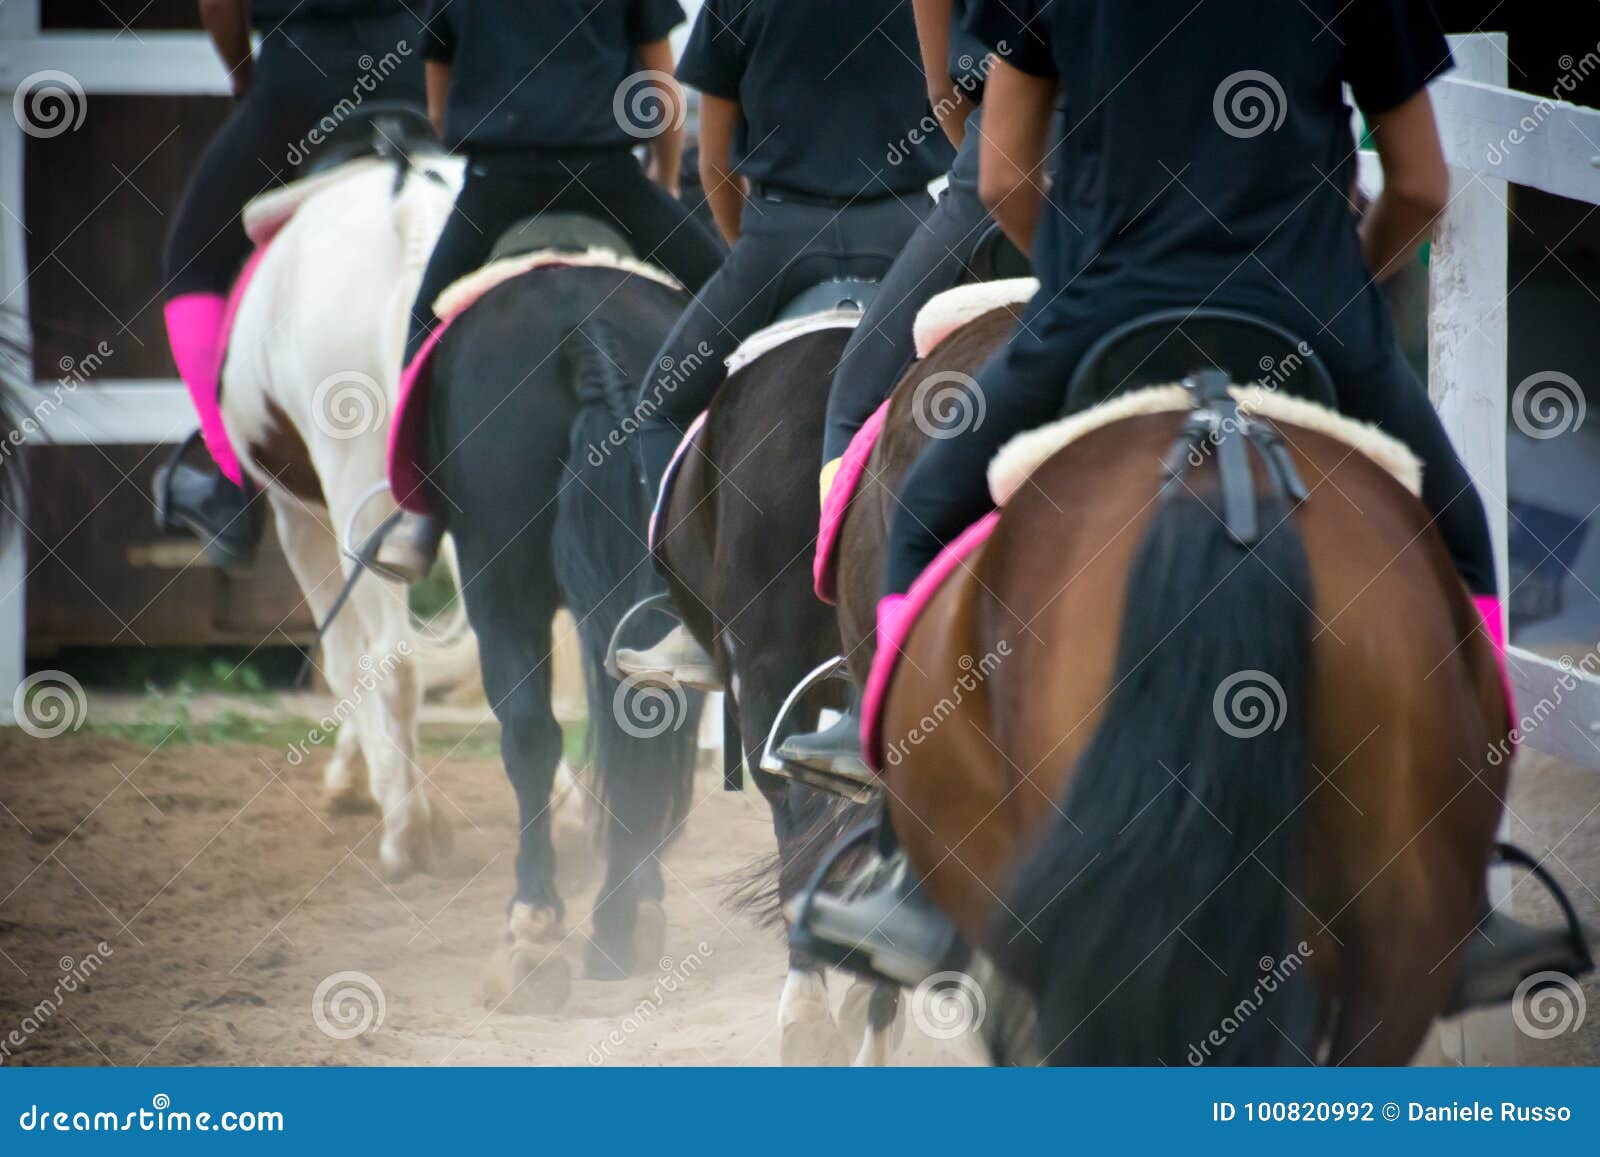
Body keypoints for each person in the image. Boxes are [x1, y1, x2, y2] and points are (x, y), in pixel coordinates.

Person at [805, 0, 1507, 984]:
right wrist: (1345, 284)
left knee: (920, 513)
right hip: (1306, 316)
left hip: (1102, 316)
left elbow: (1003, 174)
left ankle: (912, 868)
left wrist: (1079, 269)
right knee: (1461, 537)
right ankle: (1468, 882)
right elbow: (1423, 185)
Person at [613, 0, 955, 686]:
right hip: (912, 232)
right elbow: (959, 110)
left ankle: (675, 608)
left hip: (781, 236)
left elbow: (713, 161)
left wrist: (756, 259)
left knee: (657, 406)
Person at [391, 0, 728, 574]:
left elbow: (440, 109)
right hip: (605, 177)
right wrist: (665, 181)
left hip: (497, 184)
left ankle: (420, 515)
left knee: (424, 321)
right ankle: (730, 479)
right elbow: (660, 94)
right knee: (724, 296)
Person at [159, 0, 426, 568]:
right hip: (416, 70)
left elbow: (218, 6)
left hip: (297, 82)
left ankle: (231, 487)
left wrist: (247, 82)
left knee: (192, 264)